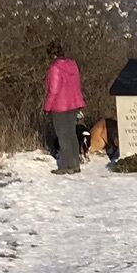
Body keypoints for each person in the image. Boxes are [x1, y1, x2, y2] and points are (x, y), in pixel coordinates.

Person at [42, 42, 85, 174]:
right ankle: (75, 164)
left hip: (59, 106)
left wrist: (47, 107)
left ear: (51, 55)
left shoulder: (54, 68)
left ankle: (66, 166)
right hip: (73, 104)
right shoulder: (73, 65)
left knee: (63, 136)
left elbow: (53, 90)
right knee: (71, 134)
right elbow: (77, 85)